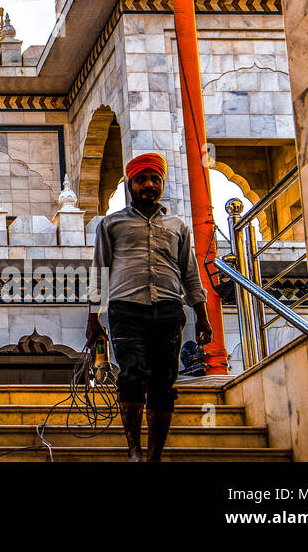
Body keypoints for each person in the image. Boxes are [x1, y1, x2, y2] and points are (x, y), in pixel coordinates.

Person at [85, 153, 213, 461]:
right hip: (126, 309)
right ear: (130, 184)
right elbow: (100, 269)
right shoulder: (111, 224)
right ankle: (134, 451)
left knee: (163, 382)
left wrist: (202, 316)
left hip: (169, 310)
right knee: (132, 375)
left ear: (162, 184)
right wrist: (93, 317)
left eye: (154, 179)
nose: (149, 185)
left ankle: (154, 455)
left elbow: (190, 273)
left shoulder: (178, 226)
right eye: (142, 179)